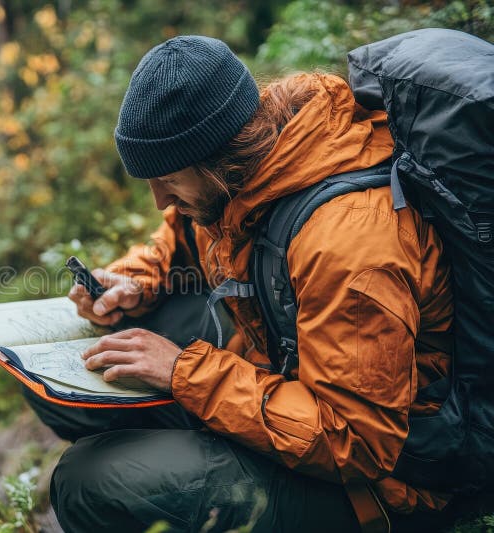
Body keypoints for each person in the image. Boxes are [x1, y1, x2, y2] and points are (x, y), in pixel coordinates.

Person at [24, 35, 454, 532]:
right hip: (275, 376)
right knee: (55, 375)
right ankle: (174, 465)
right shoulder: (241, 173)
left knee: (89, 481)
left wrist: (185, 374)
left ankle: (163, 475)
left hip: (374, 489)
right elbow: (180, 241)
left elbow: (354, 443)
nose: (159, 200)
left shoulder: (348, 242)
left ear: (218, 157)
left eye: (168, 179)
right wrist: (132, 281)